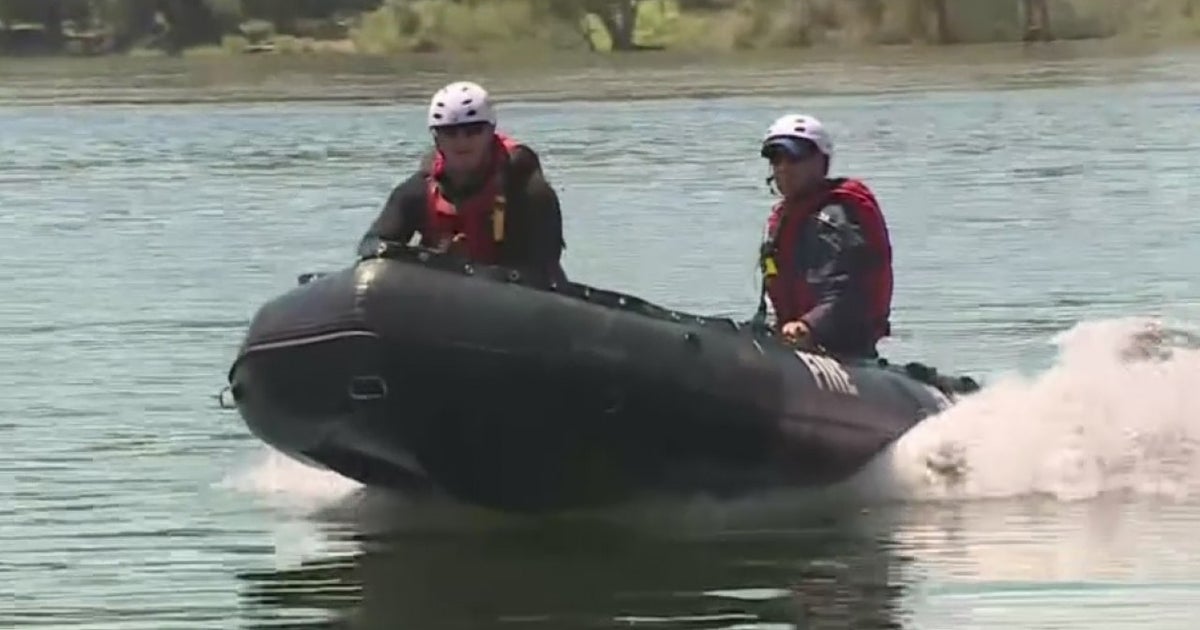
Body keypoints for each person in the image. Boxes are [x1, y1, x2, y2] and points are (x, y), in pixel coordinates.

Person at [357, 80, 567, 284]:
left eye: (473, 130)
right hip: (441, 291)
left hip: (516, 294)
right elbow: (372, 245)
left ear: (490, 133)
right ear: (436, 138)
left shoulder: (527, 188)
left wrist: (473, 273)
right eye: (449, 132)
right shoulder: (419, 190)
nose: (461, 140)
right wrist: (426, 259)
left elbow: (542, 267)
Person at [754, 114, 894, 359]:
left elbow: (848, 291)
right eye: (777, 159)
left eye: (794, 158)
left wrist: (808, 325)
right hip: (799, 347)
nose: (784, 168)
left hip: (844, 351)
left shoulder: (834, 219)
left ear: (821, 162)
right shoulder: (786, 219)